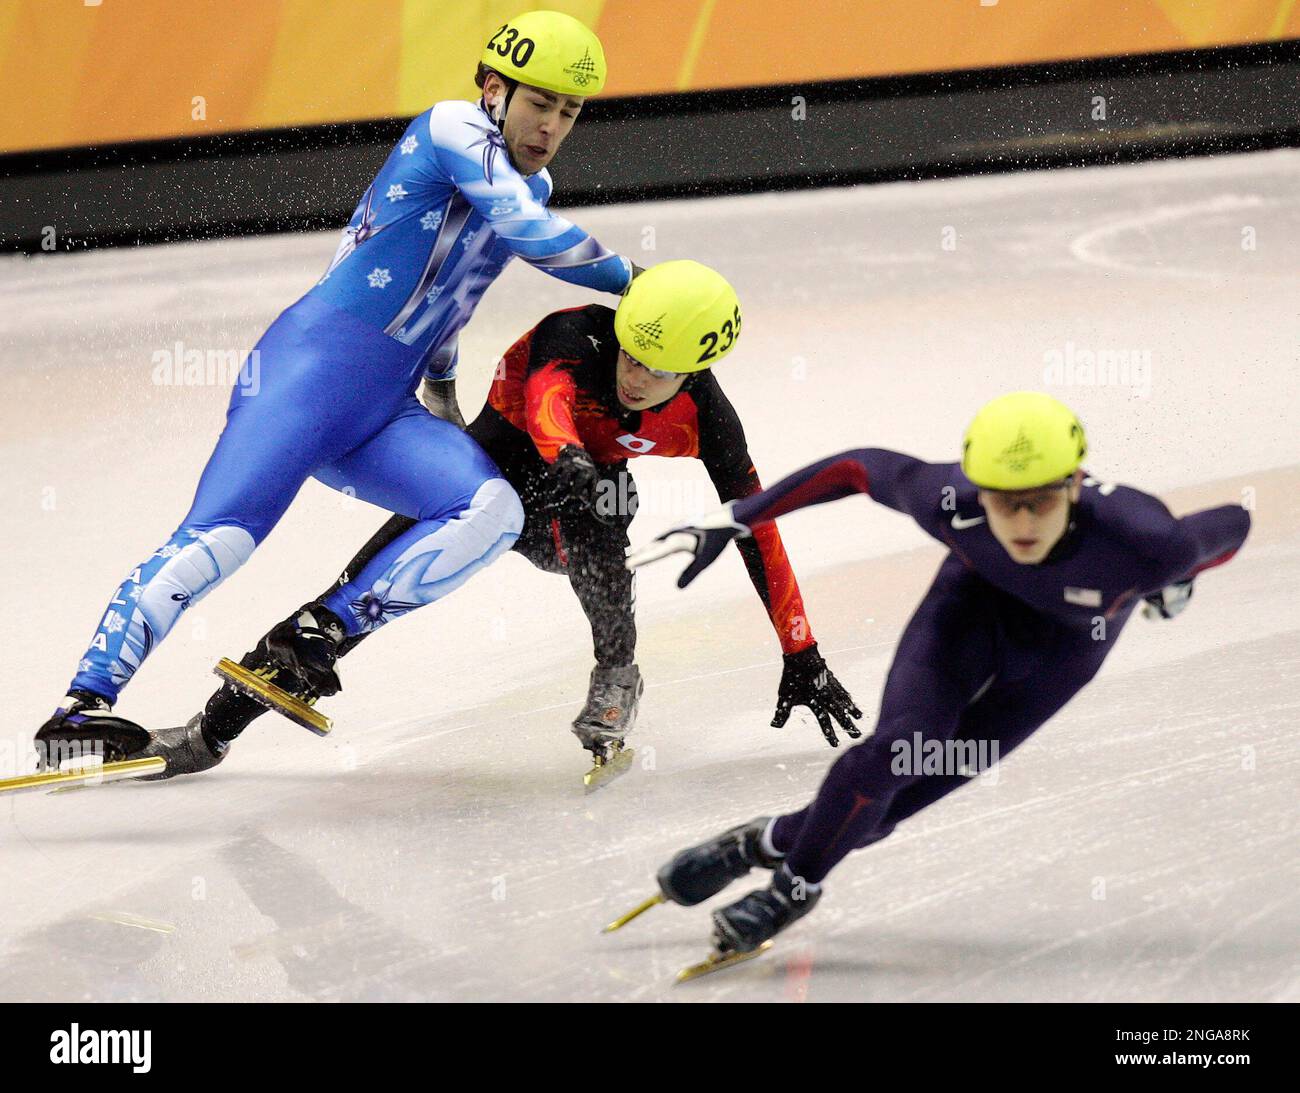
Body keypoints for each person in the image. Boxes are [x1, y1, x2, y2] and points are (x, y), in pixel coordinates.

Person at [35, 11, 638, 775]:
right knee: (220, 540)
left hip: (384, 409)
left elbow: (461, 292)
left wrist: (444, 387)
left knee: (491, 510)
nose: (551, 125)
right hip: (307, 375)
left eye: (570, 111)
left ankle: (318, 632)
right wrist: (640, 285)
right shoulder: (453, 126)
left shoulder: (533, 180)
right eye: (538, 103)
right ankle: (80, 707)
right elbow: (530, 235)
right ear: (492, 88)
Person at [171, 261, 861, 781]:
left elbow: (758, 526)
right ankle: (214, 728)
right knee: (362, 591)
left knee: (603, 507)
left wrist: (800, 650)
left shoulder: (709, 417)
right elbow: (548, 397)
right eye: (631, 352)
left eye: (659, 370)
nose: (635, 375)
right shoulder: (574, 335)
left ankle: (617, 674)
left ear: (698, 368)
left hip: (578, 507)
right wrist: (564, 453)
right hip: (484, 476)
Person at [624, 392, 1251, 956]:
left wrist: (1183, 573)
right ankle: (795, 889)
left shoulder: (1146, 541)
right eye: (1005, 504)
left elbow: (1233, 524)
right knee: (897, 754)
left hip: (1061, 655)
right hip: (967, 619)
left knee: (882, 815)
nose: (1023, 523)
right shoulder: (949, 502)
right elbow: (858, 467)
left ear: (1077, 483)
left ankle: (758, 845)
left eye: (1040, 502)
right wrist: (741, 515)